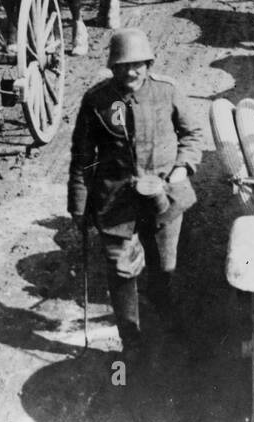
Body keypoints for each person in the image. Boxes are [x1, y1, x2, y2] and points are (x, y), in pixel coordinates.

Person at [67, 28, 202, 364]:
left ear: (148, 63)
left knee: (164, 268)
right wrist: (79, 208)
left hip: (165, 198)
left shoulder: (167, 92)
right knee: (121, 271)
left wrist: (183, 167)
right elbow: (82, 159)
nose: (131, 72)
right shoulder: (96, 100)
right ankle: (133, 343)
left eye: (137, 65)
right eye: (123, 65)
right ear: (112, 67)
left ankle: (168, 329)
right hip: (117, 202)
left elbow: (192, 135)